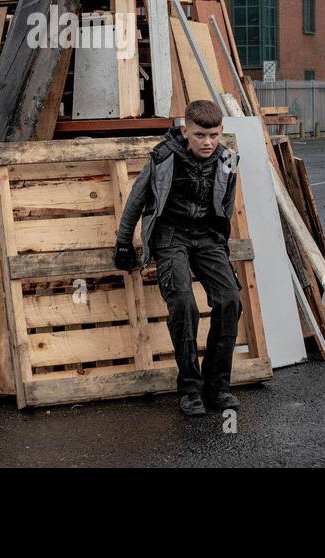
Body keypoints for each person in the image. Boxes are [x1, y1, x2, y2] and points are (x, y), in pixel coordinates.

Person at [113, 99, 243, 417]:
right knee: (183, 304)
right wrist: (123, 243)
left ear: (221, 132)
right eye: (200, 135)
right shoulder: (164, 157)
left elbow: (226, 205)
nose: (208, 142)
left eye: (213, 135)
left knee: (230, 301)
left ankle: (217, 386)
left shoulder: (227, 160)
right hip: (171, 236)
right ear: (185, 131)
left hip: (207, 237)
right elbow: (136, 199)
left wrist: (220, 247)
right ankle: (189, 389)